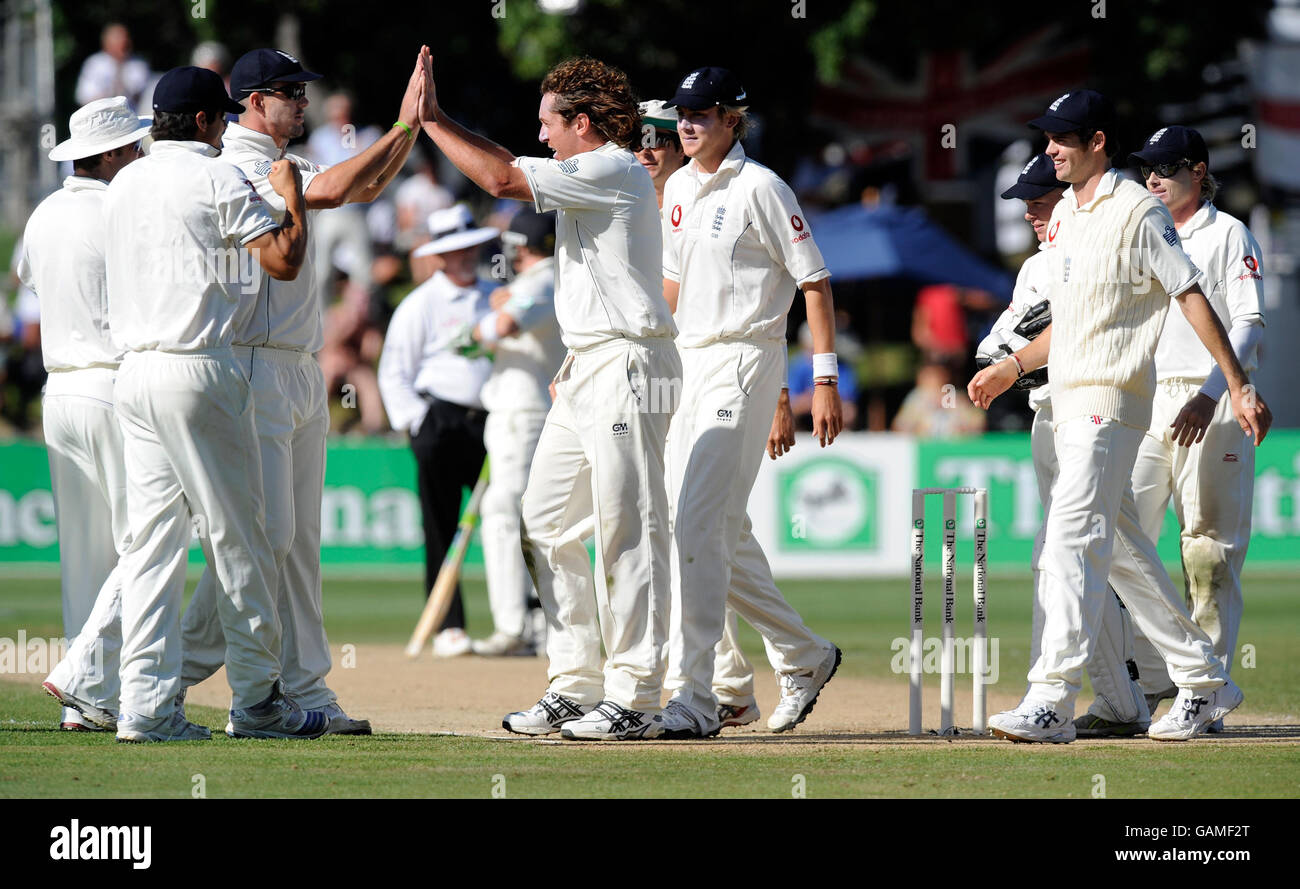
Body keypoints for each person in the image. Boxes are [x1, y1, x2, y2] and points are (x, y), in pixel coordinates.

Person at [968, 90, 1271, 743]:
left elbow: (1190, 293)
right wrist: (1012, 366)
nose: (1051, 149)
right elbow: (1070, 323)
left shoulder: (1138, 210)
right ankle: (1205, 675)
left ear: (1096, 142)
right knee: (1122, 551)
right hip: (1067, 399)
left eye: (1063, 138)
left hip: (1112, 401)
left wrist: (1236, 385)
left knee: (1068, 544)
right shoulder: (1070, 221)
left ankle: (1051, 697)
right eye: (1048, 138)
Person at [415, 48, 681, 740]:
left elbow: (502, 178)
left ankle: (637, 695)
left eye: (549, 123)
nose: (542, 136)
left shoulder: (612, 167)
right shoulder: (586, 173)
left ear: (584, 124)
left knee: (627, 525)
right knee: (543, 516)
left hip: (629, 362)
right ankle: (574, 682)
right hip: (589, 362)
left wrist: (432, 120)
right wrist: (574, 349)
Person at [177, 47, 425, 734]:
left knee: (296, 540)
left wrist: (412, 129)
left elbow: (363, 187)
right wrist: (402, 128)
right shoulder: (231, 168)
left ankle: (307, 688)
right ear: (252, 102)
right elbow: (340, 189)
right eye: (289, 92)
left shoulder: (290, 165)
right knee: (268, 537)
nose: (303, 102)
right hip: (250, 362)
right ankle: (168, 668)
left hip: (297, 365)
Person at [99, 66, 322, 741]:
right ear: (202, 122)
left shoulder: (126, 180)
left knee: (150, 545)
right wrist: (292, 199)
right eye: (221, 117)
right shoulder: (217, 174)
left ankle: (144, 706)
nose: (227, 126)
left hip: (132, 373)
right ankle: (256, 699)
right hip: (199, 366)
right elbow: (282, 261)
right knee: (243, 536)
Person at [657, 67, 844, 739]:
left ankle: (698, 693)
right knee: (710, 531)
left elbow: (814, 282)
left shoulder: (762, 186)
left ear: (732, 120)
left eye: (700, 115)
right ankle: (802, 655)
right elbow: (672, 290)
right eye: (681, 113)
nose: (685, 125)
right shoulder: (677, 187)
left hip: (745, 358)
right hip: (686, 363)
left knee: (698, 528)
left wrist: (822, 380)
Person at [1087, 125, 1266, 733]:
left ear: (1199, 169)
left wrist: (1215, 392)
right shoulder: (1141, 229)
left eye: (1165, 168)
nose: (1153, 179)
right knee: (1117, 535)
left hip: (1206, 404)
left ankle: (1204, 694)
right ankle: (1154, 678)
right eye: (1146, 169)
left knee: (1207, 550)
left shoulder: (1227, 233)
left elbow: (1248, 323)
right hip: (1143, 400)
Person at [975, 153, 1149, 736]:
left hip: (1094, 414)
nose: (1029, 212)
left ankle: (1051, 697)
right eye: (1025, 201)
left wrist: (1016, 361)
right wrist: (995, 357)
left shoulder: (1093, 249)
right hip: (1047, 417)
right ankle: (1126, 702)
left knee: (1067, 552)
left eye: (1039, 200)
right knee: (1099, 553)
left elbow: (1076, 327)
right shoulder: (1034, 267)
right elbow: (1008, 327)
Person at [22, 97, 149, 732]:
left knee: (84, 551)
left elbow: (32, 283)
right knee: (148, 537)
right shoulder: (121, 209)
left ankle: (89, 699)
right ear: (108, 155)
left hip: (59, 391)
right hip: (111, 384)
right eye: (133, 148)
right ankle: (92, 680)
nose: (141, 157)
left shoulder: (43, 213)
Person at [378, 205, 496, 658]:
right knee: (441, 525)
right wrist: (417, 421)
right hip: (439, 422)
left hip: (492, 420)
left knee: (513, 520)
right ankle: (449, 625)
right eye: (454, 250)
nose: (464, 256)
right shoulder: (420, 304)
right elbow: (394, 373)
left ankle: (526, 617)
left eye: (469, 247)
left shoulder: (495, 294)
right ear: (440, 257)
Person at [466, 207, 565, 656]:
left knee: (507, 512)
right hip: (522, 410)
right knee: (524, 515)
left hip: (522, 413)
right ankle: (534, 624)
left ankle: (515, 626)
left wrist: (483, 323)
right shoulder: (542, 282)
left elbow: (497, 328)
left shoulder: (541, 280)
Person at [75, 23, 151, 109]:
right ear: (106, 42)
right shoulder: (94, 64)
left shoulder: (139, 65)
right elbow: (84, 97)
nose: (124, 42)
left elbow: (143, 96)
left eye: (126, 38)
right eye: (118, 38)